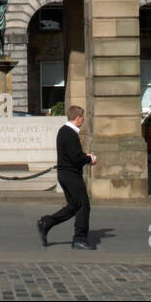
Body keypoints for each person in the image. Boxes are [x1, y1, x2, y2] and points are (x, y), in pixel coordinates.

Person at [37, 104, 97, 250]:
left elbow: (73, 155)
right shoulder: (69, 133)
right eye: (82, 118)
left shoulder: (64, 131)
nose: (83, 121)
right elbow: (75, 158)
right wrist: (89, 159)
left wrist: (84, 156)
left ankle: (47, 223)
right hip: (71, 175)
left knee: (73, 206)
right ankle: (79, 238)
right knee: (83, 205)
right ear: (78, 118)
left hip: (65, 174)